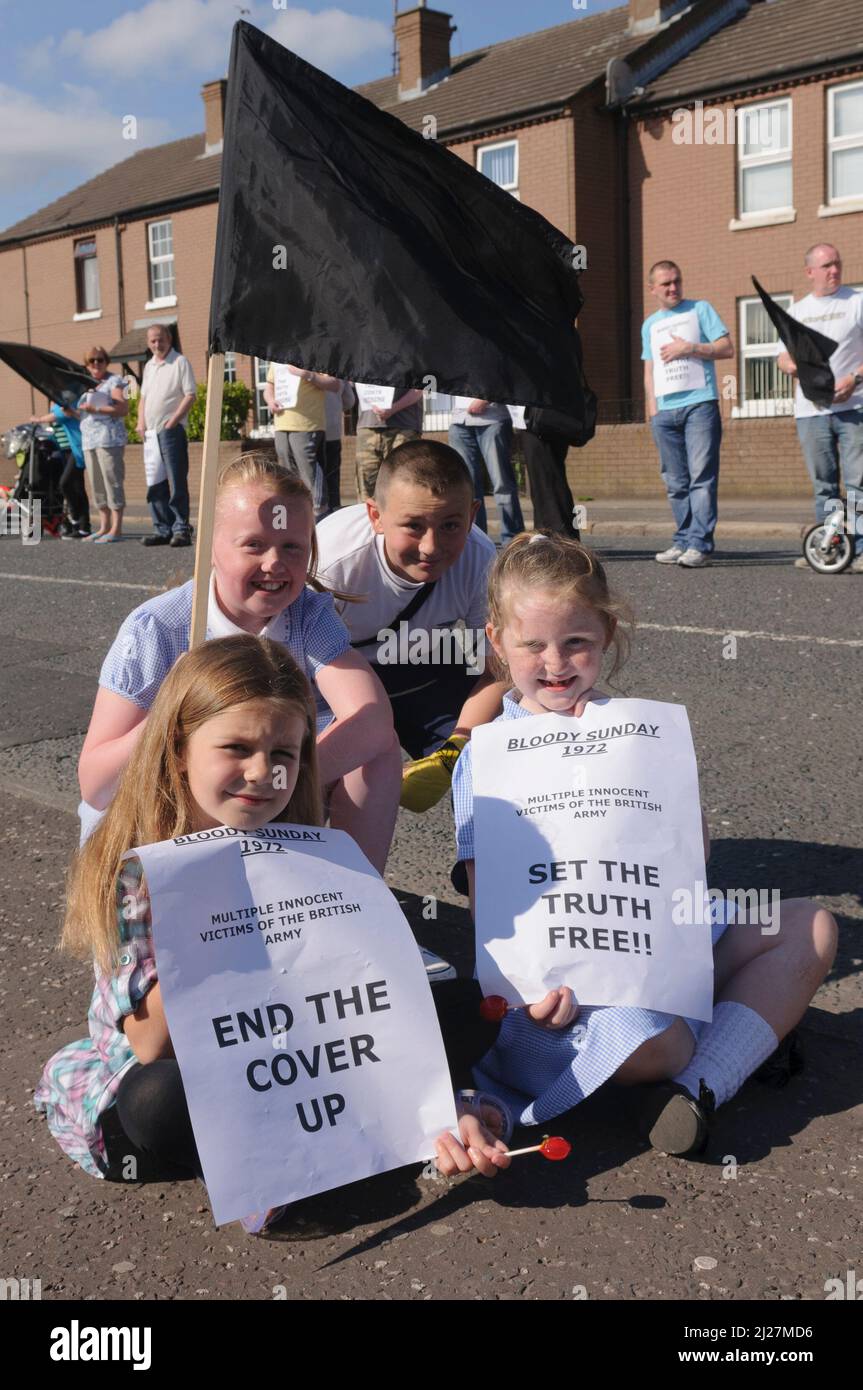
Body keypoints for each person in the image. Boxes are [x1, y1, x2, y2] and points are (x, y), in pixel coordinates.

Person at [36, 635, 509, 1229]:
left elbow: (367, 992)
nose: (264, 773)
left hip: (306, 1045)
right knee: (156, 1102)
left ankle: (379, 1130)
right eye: (236, 747)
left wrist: (434, 1094)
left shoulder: (313, 849)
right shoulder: (142, 872)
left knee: (461, 1005)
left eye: (285, 753)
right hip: (203, 1063)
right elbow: (153, 1044)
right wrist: (207, 914)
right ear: (179, 750)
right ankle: (288, 1153)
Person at [451, 532, 837, 1155]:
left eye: (576, 642)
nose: (556, 663)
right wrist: (530, 989)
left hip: (663, 938)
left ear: (606, 634)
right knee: (657, 1042)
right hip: (569, 990)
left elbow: (692, 859)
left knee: (810, 926)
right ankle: (717, 1052)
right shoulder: (487, 756)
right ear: (497, 642)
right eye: (534, 645)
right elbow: (486, 901)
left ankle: (694, 1086)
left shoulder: (639, 731)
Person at [77, 454, 402, 872]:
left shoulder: (308, 613)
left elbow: (372, 720)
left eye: (292, 547)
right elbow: (96, 783)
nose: (274, 563)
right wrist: (171, 719)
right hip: (164, 813)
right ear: (210, 544)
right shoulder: (158, 628)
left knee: (380, 750)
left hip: (261, 794)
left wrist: (280, 779)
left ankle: (353, 901)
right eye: (254, 544)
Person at [316, 440, 507, 814]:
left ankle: (477, 868)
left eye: (451, 525)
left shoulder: (481, 558)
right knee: (328, 780)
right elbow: (292, 667)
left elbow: (495, 669)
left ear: (472, 516)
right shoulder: (332, 563)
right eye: (413, 526)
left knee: (492, 758)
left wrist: (457, 747)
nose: (431, 546)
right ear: (376, 516)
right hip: (336, 670)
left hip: (417, 655)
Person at [777, 243, 863, 573]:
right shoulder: (797, 311)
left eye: (837, 263)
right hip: (811, 411)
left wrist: (854, 378)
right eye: (826, 265)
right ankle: (828, 546)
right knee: (824, 485)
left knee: (857, 484)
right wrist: (794, 367)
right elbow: (782, 357)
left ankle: (859, 549)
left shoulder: (856, 302)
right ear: (809, 271)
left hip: (853, 406)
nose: (834, 270)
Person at [642, 261, 734, 567]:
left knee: (701, 477)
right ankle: (683, 539)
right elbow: (649, 368)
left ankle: (700, 544)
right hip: (664, 412)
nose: (673, 288)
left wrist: (690, 348)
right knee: (675, 481)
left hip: (699, 406)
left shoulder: (700, 310)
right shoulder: (650, 324)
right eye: (666, 283)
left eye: (677, 281)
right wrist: (652, 410)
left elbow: (726, 348)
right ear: (652, 288)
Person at [138, 325, 196, 547]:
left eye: (160, 340)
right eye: (152, 341)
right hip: (151, 433)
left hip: (171, 431)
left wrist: (173, 421)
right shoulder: (149, 366)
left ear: (169, 339)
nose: (156, 344)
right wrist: (140, 422)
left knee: (176, 480)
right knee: (155, 482)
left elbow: (190, 395)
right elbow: (143, 398)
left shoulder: (180, 362)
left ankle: (181, 528)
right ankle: (162, 528)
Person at [263, 363, 342, 518]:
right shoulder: (277, 359)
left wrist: (308, 374)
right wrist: (271, 400)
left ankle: (319, 511)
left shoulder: (313, 354)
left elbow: (335, 384)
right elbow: (269, 387)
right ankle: (292, 511)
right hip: (281, 422)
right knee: (286, 470)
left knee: (309, 469)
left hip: (308, 424)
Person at [448, 397, 524, 546]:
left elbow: (504, 377)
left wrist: (485, 399)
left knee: (502, 484)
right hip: (459, 421)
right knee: (468, 487)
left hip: (492, 419)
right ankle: (477, 540)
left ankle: (513, 541)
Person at [76, 347, 128, 543]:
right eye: (91, 361)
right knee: (97, 484)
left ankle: (117, 528)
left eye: (100, 360)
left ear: (106, 362)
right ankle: (104, 526)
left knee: (112, 481)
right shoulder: (84, 384)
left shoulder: (113, 381)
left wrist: (96, 408)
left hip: (109, 439)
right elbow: (83, 413)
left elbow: (122, 408)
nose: (96, 364)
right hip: (89, 440)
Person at [29, 401, 91, 538]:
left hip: (76, 448)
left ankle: (75, 519)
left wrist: (39, 420)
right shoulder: (54, 401)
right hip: (64, 450)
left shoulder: (63, 400)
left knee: (65, 483)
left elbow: (60, 414)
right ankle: (83, 526)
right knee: (78, 486)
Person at [354, 383, 424, 500]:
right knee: (366, 487)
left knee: (405, 480)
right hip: (368, 426)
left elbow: (420, 388)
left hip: (404, 426)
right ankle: (368, 517)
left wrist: (393, 408)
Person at [519, 417, 579, 540]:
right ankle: (552, 537)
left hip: (540, 420)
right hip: (535, 420)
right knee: (542, 486)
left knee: (548, 483)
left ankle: (559, 539)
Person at [323, 378, 356, 514]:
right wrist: (335, 406)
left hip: (307, 429)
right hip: (333, 430)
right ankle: (333, 512)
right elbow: (349, 400)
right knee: (332, 476)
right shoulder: (336, 369)